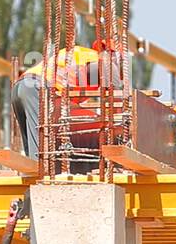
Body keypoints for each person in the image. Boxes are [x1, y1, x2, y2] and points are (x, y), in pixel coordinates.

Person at [10, 43, 118, 172]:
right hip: (37, 87)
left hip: (21, 86)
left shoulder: (83, 58)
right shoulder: (94, 60)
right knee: (40, 146)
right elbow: (115, 87)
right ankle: (38, 173)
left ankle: (31, 171)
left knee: (32, 138)